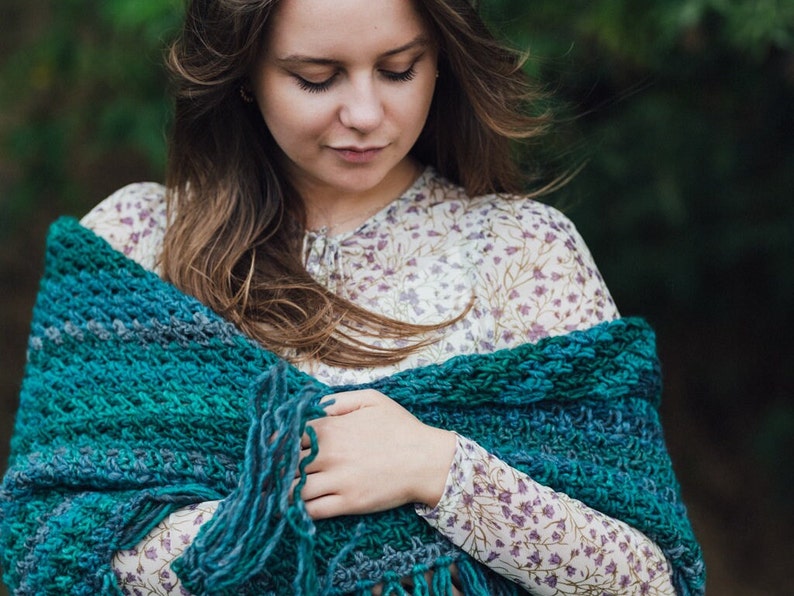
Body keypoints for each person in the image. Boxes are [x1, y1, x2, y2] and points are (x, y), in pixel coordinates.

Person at [0, 0, 705, 594]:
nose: (366, 113)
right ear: (244, 74)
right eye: (316, 78)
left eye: (399, 70)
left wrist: (438, 471)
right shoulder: (133, 244)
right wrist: (276, 519)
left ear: (440, 60)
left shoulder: (521, 253)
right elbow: (42, 552)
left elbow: (647, 581)